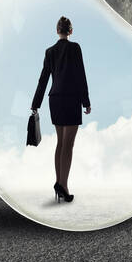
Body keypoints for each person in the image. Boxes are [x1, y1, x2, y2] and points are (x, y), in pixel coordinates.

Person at [31, 16, 91, 203]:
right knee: (68, 145)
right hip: (71, 98)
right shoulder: (75, 48)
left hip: (54, 99)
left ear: (57, 31)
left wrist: (35, 104)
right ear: (70, 31)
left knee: (60, 143)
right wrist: (86, 101)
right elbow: (80, 75)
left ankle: (59, 183)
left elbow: (43, 79)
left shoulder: (50, 52)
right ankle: (63, 186)